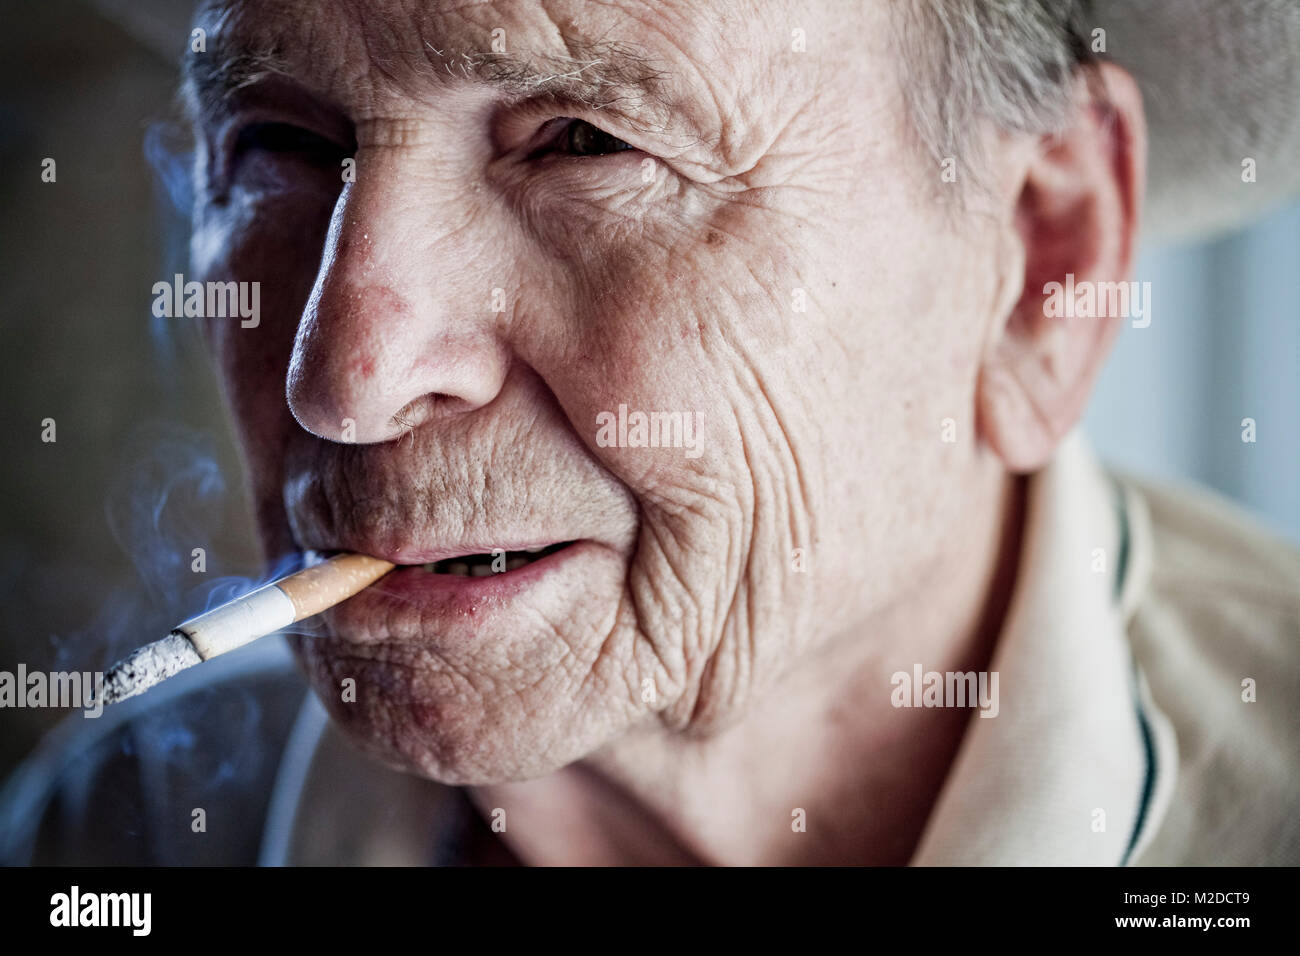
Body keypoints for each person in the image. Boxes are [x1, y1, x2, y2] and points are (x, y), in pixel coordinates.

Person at [3, 0, 1298, 866]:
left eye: (582, 143)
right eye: (282, 143)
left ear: (1041, 267)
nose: (348, 381)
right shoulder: (114, 834)